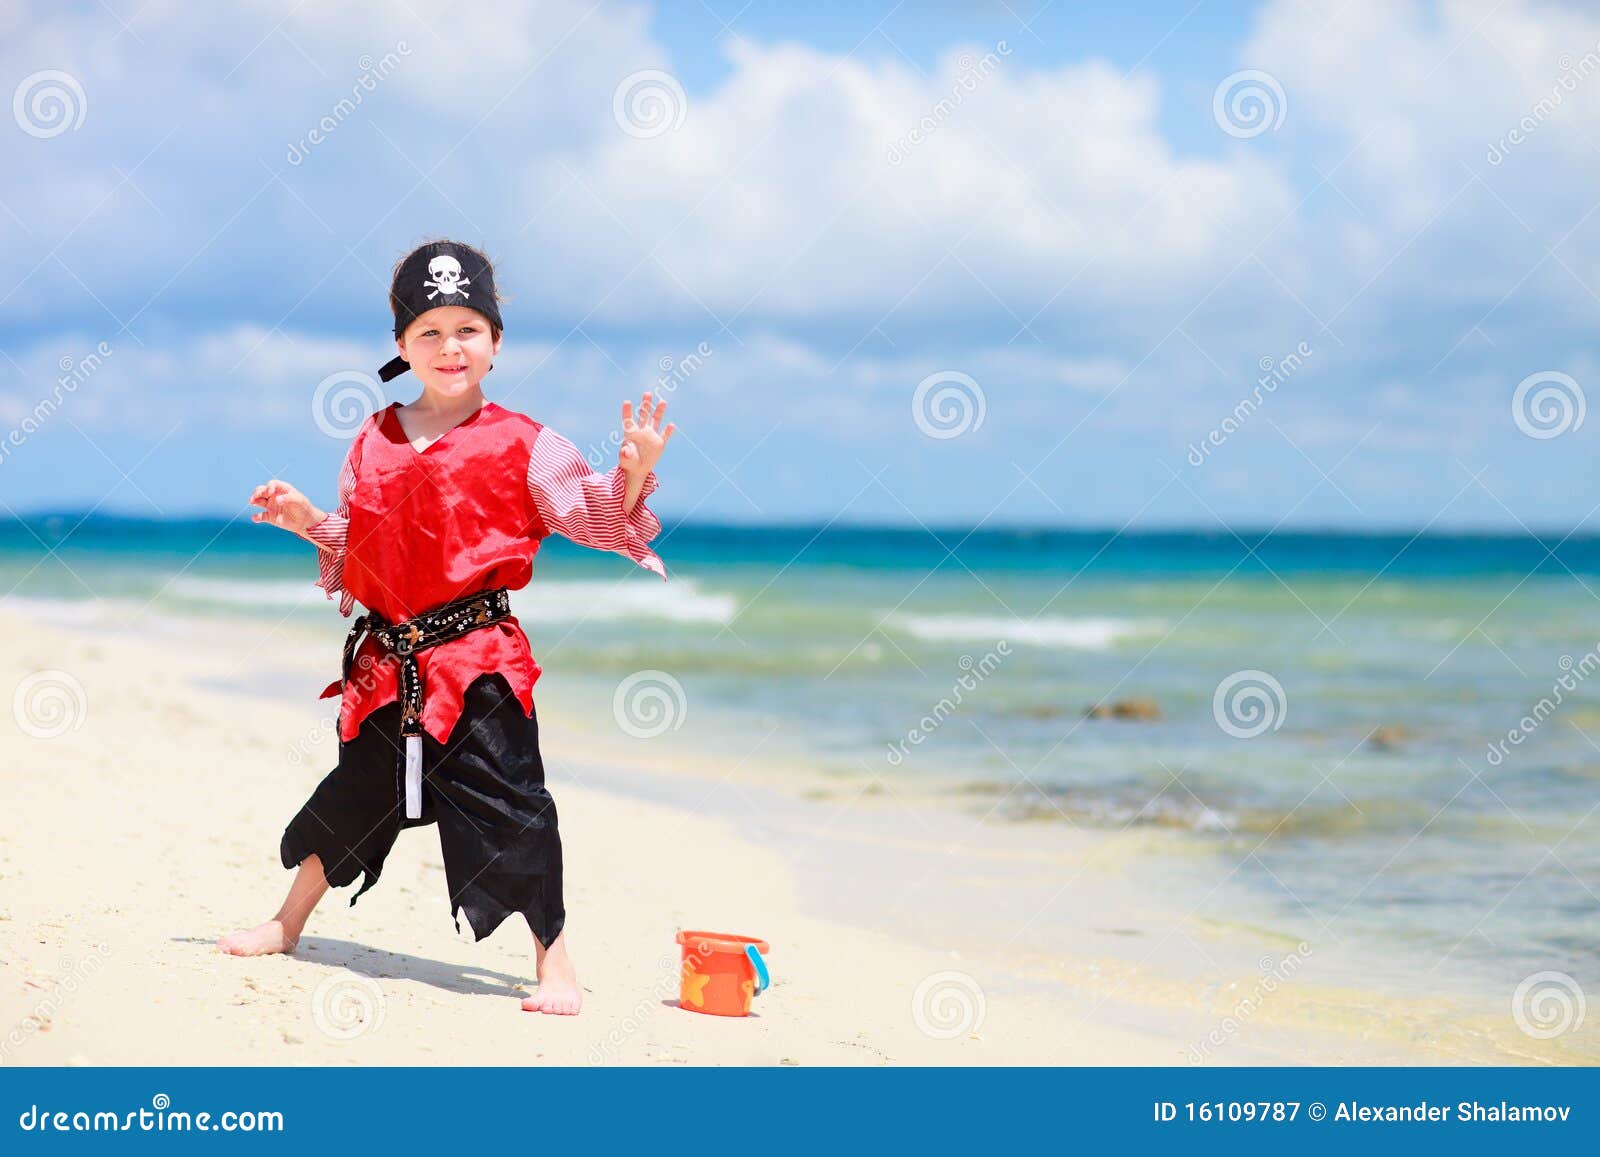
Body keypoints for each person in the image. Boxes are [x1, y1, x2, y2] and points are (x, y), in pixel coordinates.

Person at [217, 239, 675, 1016]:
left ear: (495, 343)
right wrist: (307, 522)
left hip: (481, 665)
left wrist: (631, 471)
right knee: (355, 792)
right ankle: (288, 921)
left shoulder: (528, 443)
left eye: (467, 328)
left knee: (516, 805)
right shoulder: (373, 439)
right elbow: (368, 549)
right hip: (388, 662)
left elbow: (597, 519)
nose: (449, 346)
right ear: (401, 346)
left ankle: (554, 963)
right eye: (428, 331)